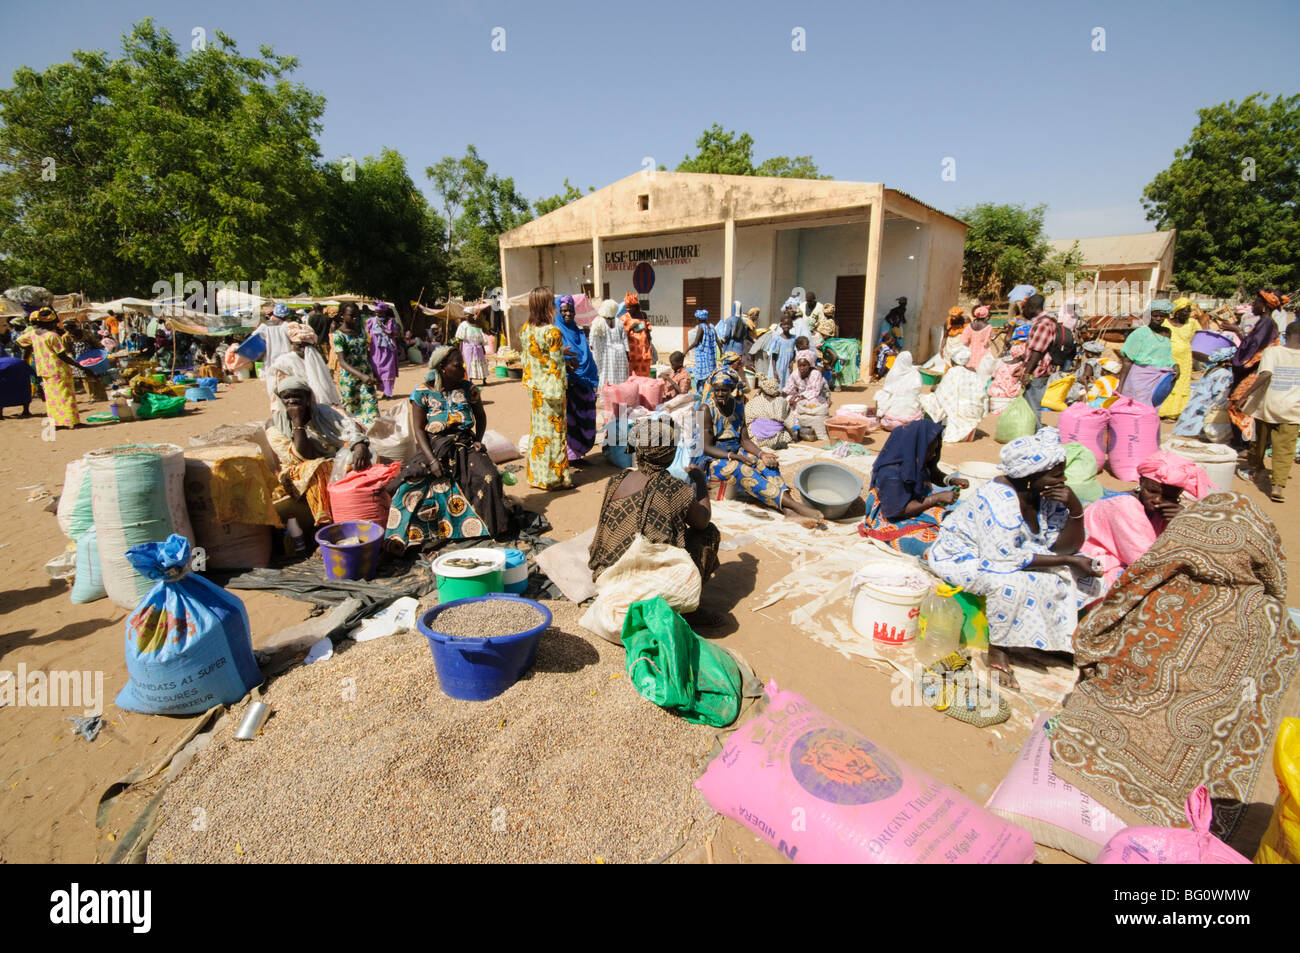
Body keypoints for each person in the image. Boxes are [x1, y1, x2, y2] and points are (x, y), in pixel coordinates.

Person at [1049, 491, 1300, 838]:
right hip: (1211, 808)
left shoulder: (1157, 588)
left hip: (1105, 751)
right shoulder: (1277, 623)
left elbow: (1097, 635)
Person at [926, 428, 1102, 688]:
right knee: (1011, 585)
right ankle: (998, 650)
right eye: (1056, 475)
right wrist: (1067, 562)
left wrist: (1075, 510)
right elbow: (1002, 558)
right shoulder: (998, 499)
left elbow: (1066, 548)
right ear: (1030, 476)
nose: (1063, 480)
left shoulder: (1047, 496)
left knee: (1085, 580)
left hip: (1019, 553)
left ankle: (1059, 640)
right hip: (966, 556)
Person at [384, 347, 509, 552]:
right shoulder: (422, 392)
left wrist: (477, 439)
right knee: (409, 485)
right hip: (434, 446)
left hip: (464, 444)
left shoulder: (469, 389)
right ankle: (405, 536)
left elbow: (481, 416)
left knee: (490, 477)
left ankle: (490, 527)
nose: (462, 368)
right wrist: (432, 461)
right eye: (457, 365)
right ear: (442, 368)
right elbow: (418, 429)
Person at [588, 416, 720, 590]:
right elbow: (703, 521)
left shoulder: (616, 480)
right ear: (670, 453)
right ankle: (681, 599)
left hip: (606, 577)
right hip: (646, 586)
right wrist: (701, 482)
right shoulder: (674, 488)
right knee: (709, 533)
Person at [694, 367, 824, 524]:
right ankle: (795, 505)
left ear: (732, 389)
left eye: (725, 390)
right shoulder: (704, 409)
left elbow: (745, 441)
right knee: (742, 469)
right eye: (717, 390)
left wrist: (762, 454)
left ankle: (789, 511)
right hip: (711, 458)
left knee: (768, 464)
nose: (720, 394)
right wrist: (735, 457)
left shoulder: (739, 406)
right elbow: (705, 447)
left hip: (735, 449)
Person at [1080, 450, 1212, 595]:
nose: (1158, 500)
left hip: (1131, 562)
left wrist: (1183, 521)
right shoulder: (1124, 506)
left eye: (1168, 496)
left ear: (1179, 494)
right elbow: (1145, 561)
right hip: (1096, 566)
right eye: (1152, 491)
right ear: (1141, 482)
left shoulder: (1164, 510)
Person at [265, 376, 371, 527]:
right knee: (318, 469)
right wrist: (297, 422)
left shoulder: (323, 412)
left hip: (333, 461)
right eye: (286, 397)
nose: (292, 401)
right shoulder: (274, 425)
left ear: (308, 398)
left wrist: (359, 445)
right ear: (280, 400)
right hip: (298, 472)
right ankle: (327, 525)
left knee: (367, 455)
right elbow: (301, 457)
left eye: (297, 396)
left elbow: (349, 428)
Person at [859, 418, 966, 556]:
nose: (934, 454)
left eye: (935, 450)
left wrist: (951, 480)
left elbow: (933, 473)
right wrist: (936, 498)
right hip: (892, 516)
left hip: (918, 505)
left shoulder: (915, 458)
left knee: (960, 525)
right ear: (917, 448)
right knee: (933, 547)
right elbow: (897, 511)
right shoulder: (891, 474)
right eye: (930, 451)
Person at [1238, 320, 1300, 501]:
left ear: (1285, 336)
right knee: (1285, 449)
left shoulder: (1273, 352)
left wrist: (1244, 396)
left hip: (1268, 406)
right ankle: (1278, 486)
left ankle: (1256, 469)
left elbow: (1266, 374)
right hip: (1293, 409)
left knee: (1258, 442)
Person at [519, 287, 571, 490]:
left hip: (534, 389)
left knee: (538, 433)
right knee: (555, 433)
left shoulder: (526, 329)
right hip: (551, 391)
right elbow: (557, 366)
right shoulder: (552, 332)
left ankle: (536, 477)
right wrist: (561, 390)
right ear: (547, 306)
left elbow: (532, 357)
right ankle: (556, 478)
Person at [1222, 290, 1290, 444]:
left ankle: (1246, 443)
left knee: (1240, 404)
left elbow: (1253, 348)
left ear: (1265, 306)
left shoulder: (1266, 323)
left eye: (1256, 302)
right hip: (1253, 370)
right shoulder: (1263, 322)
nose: (1253, 305)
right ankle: (1244, 442)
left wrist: (1237, 331)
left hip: (1255, 371)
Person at [16, 308, 81, 429]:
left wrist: (29, 349)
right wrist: (80, 366)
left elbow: (19, 341)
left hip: (44, 370)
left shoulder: (33, 334)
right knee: (66, 395)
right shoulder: (52, 336)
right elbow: (62, 355)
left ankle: (57, 423)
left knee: (52, 398)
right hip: (58, 369)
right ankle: (73, 421)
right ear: (47, 323)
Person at [555, 294, 599, 462]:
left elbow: (586, 355)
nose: (568, 314)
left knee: (585, 420)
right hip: (568, 383)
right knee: (570, 421)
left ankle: (579, 453)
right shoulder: (555, 332)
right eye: (564, 311)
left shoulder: (579, 332)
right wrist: (566, 363)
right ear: (559, 312)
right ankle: (571, 455)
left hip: (585, 382)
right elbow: (552, 356)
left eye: (570, 311)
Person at [265, 323, 341, 408]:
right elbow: (277, 389)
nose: (303, 350)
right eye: (299, 346)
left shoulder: (316, 361)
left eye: (306, 346)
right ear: (292, 345)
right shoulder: (283, 363)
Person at [920, 344, 985, 442]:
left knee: (925, 399)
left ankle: (935, 426)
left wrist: (934, 388)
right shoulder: (974, 375)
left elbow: (942, 396)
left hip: (954, 414)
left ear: (952, 360)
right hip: (971, 417)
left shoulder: (952, 373)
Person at [330, 302, 381, 426]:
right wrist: (361, 376)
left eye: (357, 315)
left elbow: (366, 354)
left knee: (372, 409)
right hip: (350, 380)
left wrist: (374, 372)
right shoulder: (338, 335)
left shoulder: (361, 331)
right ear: (342, 316)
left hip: (366, 377)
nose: (355, 318)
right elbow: (342, 362)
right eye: (351, 315)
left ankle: (373, 439)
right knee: (353, 415)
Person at [1117, 301, 1176, 405]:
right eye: (1155, 315)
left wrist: (1175, 365)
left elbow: (1167, 356)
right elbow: (1127, 361)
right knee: (1138, 409)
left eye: (1162, 316)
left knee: (1152, 410)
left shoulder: (1167, 333)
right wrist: (1120, 386)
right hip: (1140, 380)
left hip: (1159, 379)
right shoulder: (1140, 333)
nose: (1158, 318)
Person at [1173, 346, 1236, 442]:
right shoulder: (1224, 373)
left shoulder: (1211, 370)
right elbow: (1218, 392)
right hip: (1205, 404)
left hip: (1197, 402)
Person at [1018, 294, 1063, 426]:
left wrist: (1027, 372)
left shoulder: (1043, 324)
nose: (1024, 312)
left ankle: (1035, 434)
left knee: (1032, 406)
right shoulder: (1043, 322)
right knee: (1029, 403)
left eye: (1025, 308)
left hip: (1037, 370)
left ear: (1032, 307)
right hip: (1036, 369)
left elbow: (1037, 351)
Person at [1156, 297, 1201, 419]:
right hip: (1168, 357)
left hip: (1185, 358)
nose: (1187, 313)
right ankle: (1162, 410)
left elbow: (1199, 338)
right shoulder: (1164, 323)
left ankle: (1176, 412)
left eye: (1189, 311)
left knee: (1181, 383)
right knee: (1167, 381)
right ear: (1176, 311)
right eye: (1185, 310)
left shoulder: (1192, 323)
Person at [783, 348, 830, 441]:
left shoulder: (815, 374)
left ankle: (803, 429)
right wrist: (783, 396)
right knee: (786, 402)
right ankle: (795, 429)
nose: (802, 368)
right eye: (800, 366)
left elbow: (815, 391)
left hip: (816, 397)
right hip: (799, 398)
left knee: (810, 403)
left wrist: (797, 396)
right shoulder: (795, 374)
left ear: (810, 364)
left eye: (804, 365)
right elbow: (789, 388)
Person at [744, 375, 798, 449]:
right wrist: (793, 433)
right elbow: (790, 424)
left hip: (757, 439)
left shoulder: (752, 402)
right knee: (786, 432)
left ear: (762, 389)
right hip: (777, 438)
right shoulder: (782, 401)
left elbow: (747, 421)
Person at [253, 304, 293, 398]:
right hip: (286, 361)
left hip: (270, 362)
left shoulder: (264, 326)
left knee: (272, 387)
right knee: (286, 386)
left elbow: (254, 338)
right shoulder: (286, 326)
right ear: (286, 316)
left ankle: (276, 407)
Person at [61, 322, 107, 403]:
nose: (70, 330)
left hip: (92, 358)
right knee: (86, 378)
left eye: (72, 328)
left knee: (97, 376)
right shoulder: (65, 337)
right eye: (68, 329)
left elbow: (95, 343)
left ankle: (102, 396)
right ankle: (93, 396)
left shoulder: (86, 333)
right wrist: (74, 361)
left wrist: (101, 352)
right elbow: (67, 351)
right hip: (79, 361)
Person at [875, 350, 924, 426]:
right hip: (913, 420)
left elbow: (885, 394)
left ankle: (881, 419)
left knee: (879, 395)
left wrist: (879, 413)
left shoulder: (893, 373)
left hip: (891, 422)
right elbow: (917, 393)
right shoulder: (915, 374)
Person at [589, 299, 629, 390]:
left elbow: (592, 342)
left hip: (605, 355)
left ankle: (608, 401)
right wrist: (627, 355)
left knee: (606, 377)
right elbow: (625, 340)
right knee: (620, 379)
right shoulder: (619, 322)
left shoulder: (597, 322)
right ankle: (621, 401)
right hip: (620, 354)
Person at [366, 304, 402, 398]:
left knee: (388, 370)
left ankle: (387, 393)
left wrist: (388, 332)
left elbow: (396, 334)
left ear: (385, 312)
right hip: (375, 350)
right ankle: (381, 389)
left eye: (380, 312)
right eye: (377, 312)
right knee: (377, 369)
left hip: (388, 350)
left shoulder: (391, 321)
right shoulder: (371, 321)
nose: (378, 313)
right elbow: (367, 334)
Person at [761, 311, 799, 388]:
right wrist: (775, 371)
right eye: (784, 324)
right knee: (777, 386)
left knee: (787, 385)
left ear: (792, 326)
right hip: (778, 366)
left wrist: (792, 362)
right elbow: (774, 356)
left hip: (788, 367)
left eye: (788, 324)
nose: (786, 326)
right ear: (781, 325)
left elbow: (794, 352)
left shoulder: (793, 338)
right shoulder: (777, 339)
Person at [622, 294, 653, 377]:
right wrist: (629, 327)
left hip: (644, 353)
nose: (627, 309)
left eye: (630, 307)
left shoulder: (643, 315)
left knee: (644, 377)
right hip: (632, 354)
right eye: (627, 306)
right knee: (632, 377)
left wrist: (650, 347)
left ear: (635, 306)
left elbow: (647, 333)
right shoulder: (624, 318)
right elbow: (621, 335)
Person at [455, 312, 489, 384]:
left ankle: (484, 379)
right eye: (466, 315)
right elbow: (460, 338)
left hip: (478, 348)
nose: (467, 317)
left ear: (472, 316)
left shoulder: (478, 326)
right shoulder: (463, 325)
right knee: (469, 364)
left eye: (469, 315)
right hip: (468, 348)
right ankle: (470, 379)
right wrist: (460, 350)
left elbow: (482, 339)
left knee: (481, 363)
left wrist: (483, 348)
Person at [689, 308, 719, 389]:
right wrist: (722, 352)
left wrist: (685, 351)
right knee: (710, 375)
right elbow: (718, 341)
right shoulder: (712, 326)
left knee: (701, 377)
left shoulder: (701, 327)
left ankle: (702, 392)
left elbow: (695, 342)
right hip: (711, 358)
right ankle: (709, 390)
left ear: (699, 319)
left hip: (702, 357)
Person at [960, 305, 996, 371]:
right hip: (984, 351)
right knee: (982, 370)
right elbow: (993, 338)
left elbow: (964, 340)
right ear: (986, 316)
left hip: (971, 350)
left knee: (971, 370)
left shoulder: (969, 326)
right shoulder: (988, 327)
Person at [0, 351, 34, 419]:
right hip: (20, 370)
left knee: (2, 393)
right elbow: (32, 372)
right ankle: (26, 411)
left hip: (7, 371)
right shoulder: (20, 361)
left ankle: (0, 414)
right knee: (24, 390)